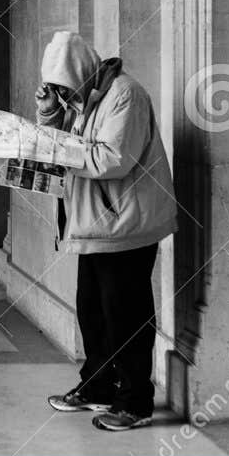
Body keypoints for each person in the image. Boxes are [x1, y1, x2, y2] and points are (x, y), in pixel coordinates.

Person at [34, 30, 177, 432]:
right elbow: (61, 140)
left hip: (125, 223)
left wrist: (53, 149)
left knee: (126, 314)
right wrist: (49, 114)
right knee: (92, 309)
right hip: (94, 223)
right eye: (54, 87)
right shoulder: (80, 100)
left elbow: (113, 159)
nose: (61, 93)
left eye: (63, 85)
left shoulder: (124, 95)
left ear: (81, 71)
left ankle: (135, 402)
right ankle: (98, 386)